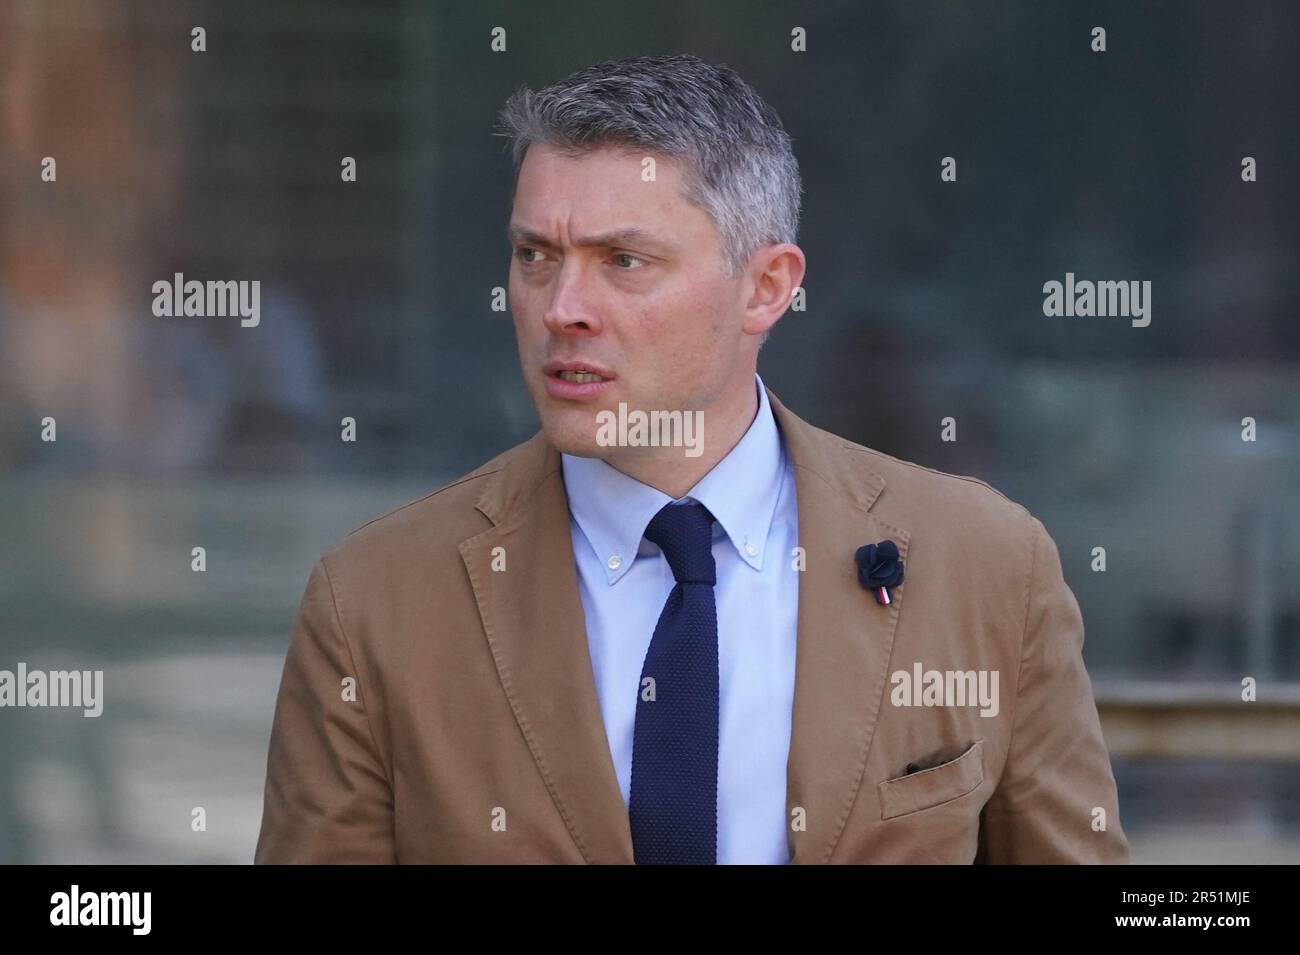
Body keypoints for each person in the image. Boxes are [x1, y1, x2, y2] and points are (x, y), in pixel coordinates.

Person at [254, 54, 1128, 864]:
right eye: (535, 256)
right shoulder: (375, 602)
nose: (562, 307)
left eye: (623, 261)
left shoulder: (986, 566)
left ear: (767, 287)